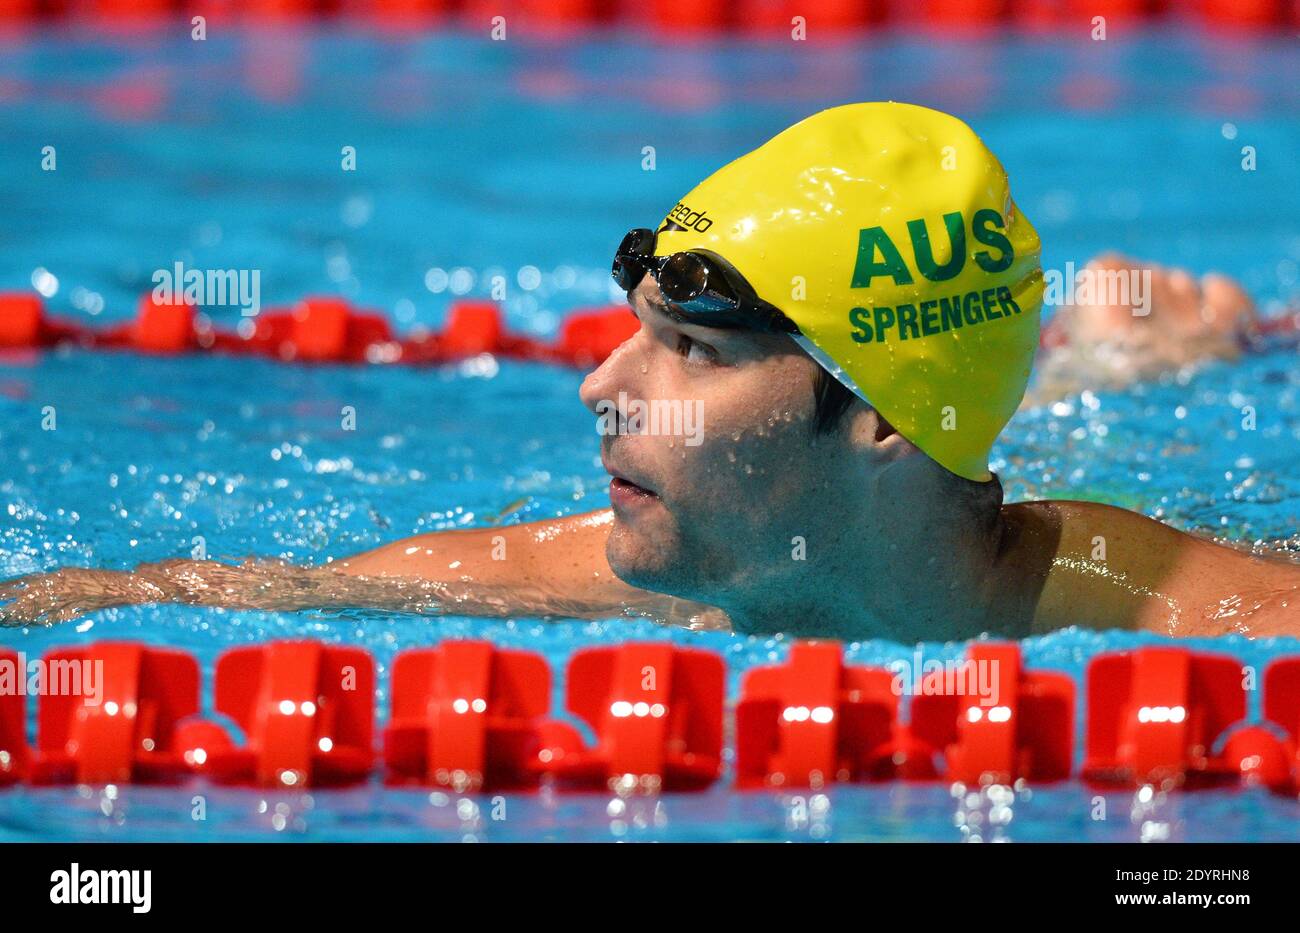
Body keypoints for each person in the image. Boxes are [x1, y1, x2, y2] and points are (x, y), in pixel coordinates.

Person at [2, 102, 1296, 639]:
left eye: (691, 349)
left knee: (1082, 458)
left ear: (885, 418)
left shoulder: (1182, 613)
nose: (597, 385)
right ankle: (1098, 366)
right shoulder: (688, 567)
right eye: (635, 328)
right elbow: (214, 590)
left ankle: (1123, 366)